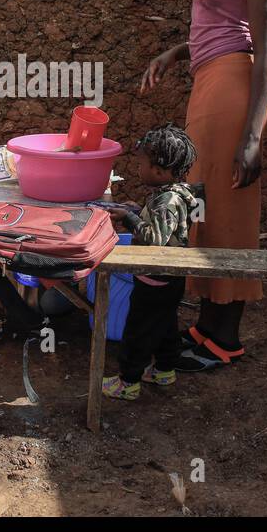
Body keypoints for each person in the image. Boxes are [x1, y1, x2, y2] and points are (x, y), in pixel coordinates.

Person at [140, 0, 267, 372]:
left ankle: (226, 338)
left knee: (228, 208)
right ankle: (210, 320)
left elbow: (263, 47)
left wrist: (254, 136)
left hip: (234, 90)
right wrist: (178, 51)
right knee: (205, 202)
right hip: (209, 82)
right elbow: (219, 21)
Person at [100, 125, 203, 401]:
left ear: (158, 171)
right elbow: (166, 225)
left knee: (138, 331)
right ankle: (164, 369)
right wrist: (138, 210)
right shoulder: (178, 192)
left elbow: (156, 238)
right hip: (171, 277)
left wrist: (129, 219)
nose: (138, 169)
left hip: (154, 278)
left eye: (141, 164)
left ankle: (128, 382)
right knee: (165, 324)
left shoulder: (167, 200)